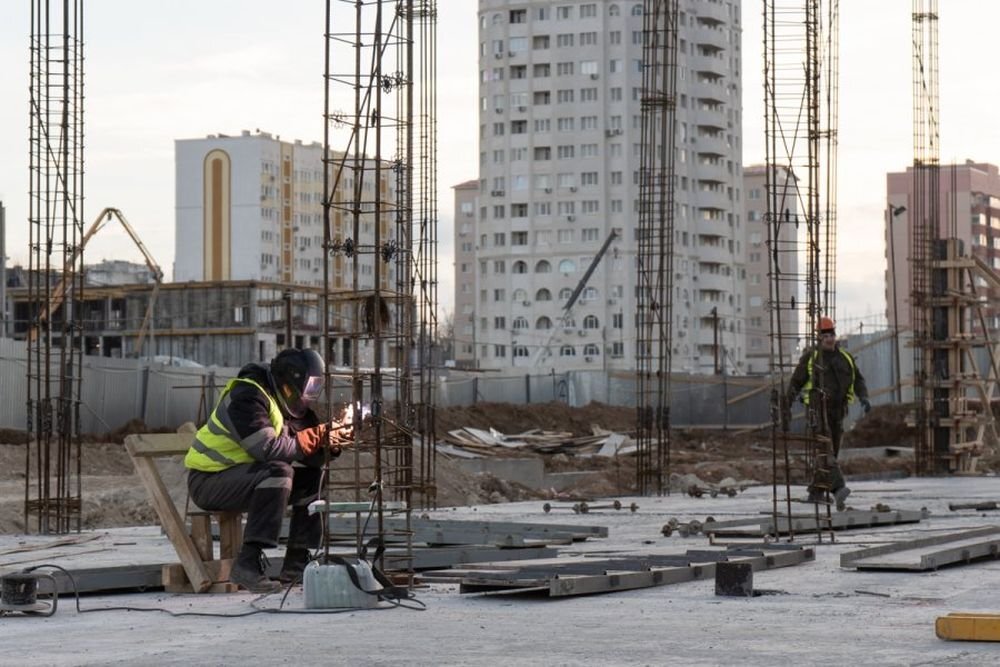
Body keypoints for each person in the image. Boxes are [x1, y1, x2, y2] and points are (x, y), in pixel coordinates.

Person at [184, 348, 345, 593]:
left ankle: (297, 563)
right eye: (307, 387)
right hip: (209, 481)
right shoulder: (246, 396)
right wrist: (316, 436)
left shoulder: (289, 406)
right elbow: (267, 448)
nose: (309, 395)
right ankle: (247, 563)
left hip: (243, 478)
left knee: (313, 477)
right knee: (279, 473)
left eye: (315, 389)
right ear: (289, 382)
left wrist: (329, 444)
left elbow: (309, 454)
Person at [785, 317, 870, 511]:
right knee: (826, 449)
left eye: (831, 334)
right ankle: (838, 488)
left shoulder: (845, 358)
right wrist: (787, 403)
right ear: (819, 338)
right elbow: (796, 382)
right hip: (817, 410)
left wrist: (864, 397)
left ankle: (816, 492)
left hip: (838, 412)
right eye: (825, 335)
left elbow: (858, 380)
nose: (829, 338)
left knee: (832, 453)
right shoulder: (811, 358)